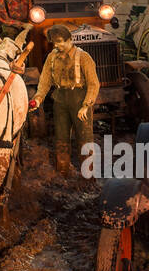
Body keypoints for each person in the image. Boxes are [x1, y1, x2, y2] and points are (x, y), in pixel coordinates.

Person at [29, 25, 99, 175]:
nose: (57, 45)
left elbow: (94, 84)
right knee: (61, 137)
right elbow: (45, 81)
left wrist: (86, 106)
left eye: (60, 42)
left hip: (80, 98)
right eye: (54, 43)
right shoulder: (51, 57)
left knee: (84, 137)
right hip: (60, 98)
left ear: (70, 39)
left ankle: (89, 176)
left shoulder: (83, 57)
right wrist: (38, 99)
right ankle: (63, 172)